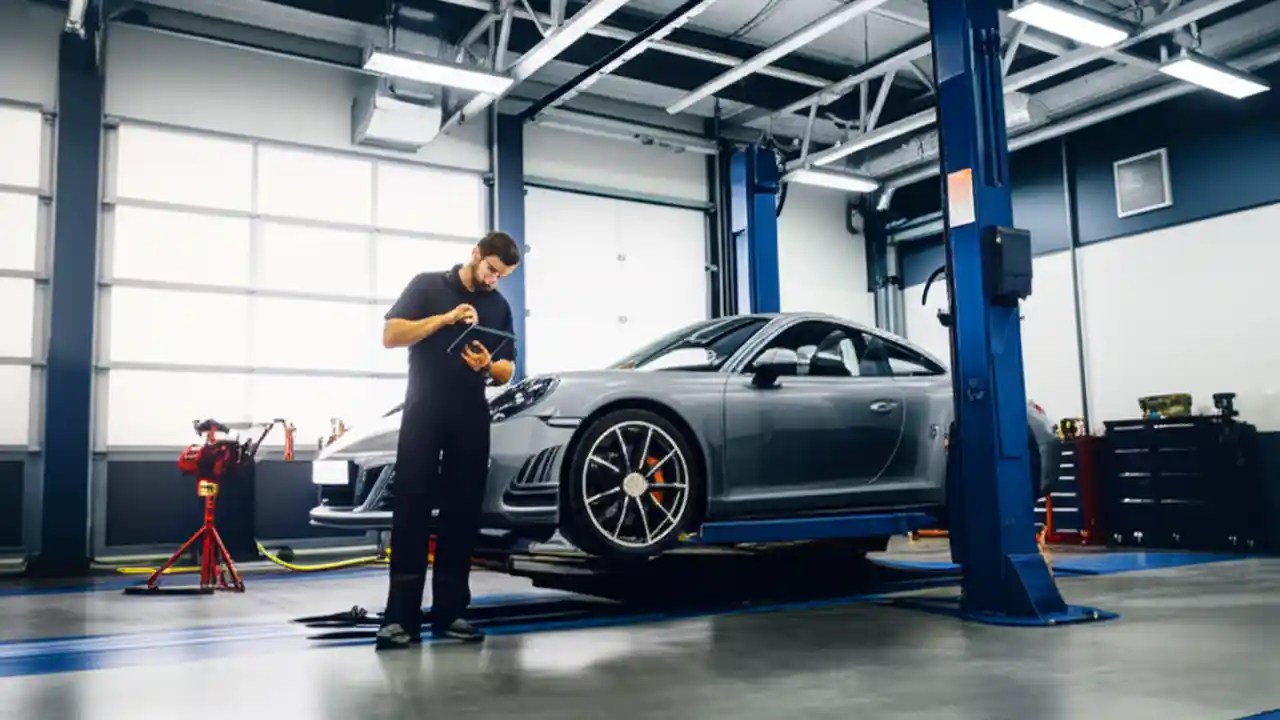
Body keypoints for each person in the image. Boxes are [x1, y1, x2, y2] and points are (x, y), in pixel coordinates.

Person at [375, 231, 520, 649]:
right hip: (423, 410)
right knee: (412, 511)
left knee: (461, 515)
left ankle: (451, 613)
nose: (494, 280)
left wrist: (489, 366)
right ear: (476, 255)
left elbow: (508, 369)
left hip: (471, 414)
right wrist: (444, 320)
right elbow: (391, 335)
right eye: (491, 270)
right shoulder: (426, 285)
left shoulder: (499, 305)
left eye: (502, 275)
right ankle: (399, 618)